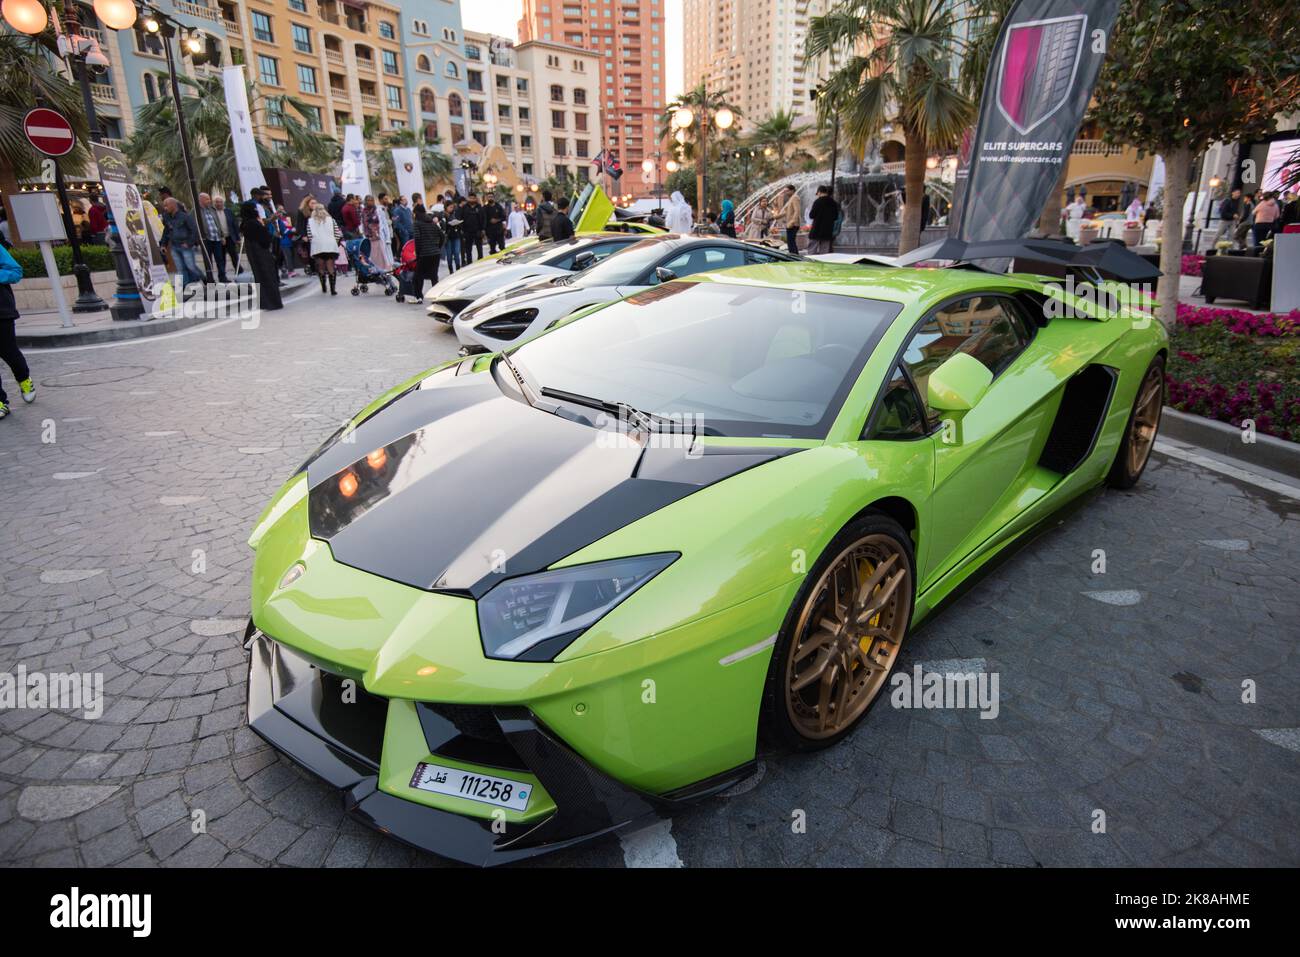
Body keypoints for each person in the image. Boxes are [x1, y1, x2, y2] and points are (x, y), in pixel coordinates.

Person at [0, 239, 35, 420]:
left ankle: (24, 379)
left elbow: (15, 272)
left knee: (9, 352)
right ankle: (1, 402)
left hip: (1, 311)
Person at [239, 200, 282, 310]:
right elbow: (265, 238)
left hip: (253, 254)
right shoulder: (253, 223)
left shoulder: (244, 223)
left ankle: (265, 302)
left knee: (260, 277)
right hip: (261, 253)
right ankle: (273, 302)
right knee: (268, 276)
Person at [160, 197, 203, 290]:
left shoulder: (185, 216)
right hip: (175, 246)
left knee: (191, 266)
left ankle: (205, 279)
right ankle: (184, 287)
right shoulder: (167, 218)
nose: (165, 208)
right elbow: (166, 231)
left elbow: (194, 230)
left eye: (166, 205)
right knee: (180, 268)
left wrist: (189, 243)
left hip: (185, 246)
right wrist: (163, 244)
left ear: (173, 205)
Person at [306, 200, 342, 295]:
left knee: (321, 267)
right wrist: (335, 242)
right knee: (331, 267)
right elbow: (337, 234)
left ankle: (324, 287)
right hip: (330, 245)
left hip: (317, 246)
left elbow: (309, 235)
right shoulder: (331, 220)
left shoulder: (310, 221)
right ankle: (333, 289)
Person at [411, 207, 445, 299]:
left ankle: (419, 297)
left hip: (424, 254)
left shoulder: (417, 224)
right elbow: (442, 236)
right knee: (434, 276)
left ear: (416, 213)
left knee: (418, 276)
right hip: (435, 253)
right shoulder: (432, 223)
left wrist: (418, 253)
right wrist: (438, 247)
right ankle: (437, 296)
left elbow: (417, 239)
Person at [196, 192, 229, 283]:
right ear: (201, 200)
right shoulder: (196, 211)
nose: (209, 201)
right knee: (208, 260)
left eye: (209, 199)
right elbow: (194, 225)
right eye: (207, 199)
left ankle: (223, 277)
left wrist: (222, 236)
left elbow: (217, 222)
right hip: (206, 240)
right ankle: (210, 279)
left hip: (217, 238)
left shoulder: (212, 209)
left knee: (220, 259)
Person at [807, 185, 841, 255]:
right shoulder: (833, 203)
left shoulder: (817, 202)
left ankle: (811, 265)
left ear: (819, 192)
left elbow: (811, 215)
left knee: (812, 251)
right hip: (827, 231)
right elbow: (835, 217)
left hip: (816, 230)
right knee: (824, 253)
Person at [212, 196, 240, 273]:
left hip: (230, 237)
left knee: (234, 255)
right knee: (221, 256)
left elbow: (235, 224)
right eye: (217, 202)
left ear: (223, 203)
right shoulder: (213, 212)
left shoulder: (228, 211)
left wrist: (237, 238)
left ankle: (238, 270)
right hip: (219, 238)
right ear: (214, 203)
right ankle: (222, 272)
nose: (218, 204)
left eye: (220, 202)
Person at [777, 184, 802, 254]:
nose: (785, 192)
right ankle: (794, 256)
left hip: (793, 224)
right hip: (790, 224)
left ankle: (795, 257)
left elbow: (797, 210)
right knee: (790, 242)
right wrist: (775, 217)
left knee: (791, 242)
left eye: (787, 191)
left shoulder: (795, 198)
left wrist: (792, 222)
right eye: (785, 191)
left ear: (792, 190)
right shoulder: (791, 198)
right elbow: (786, 212)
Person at [461, 193, 485, 261]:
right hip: (467, 232)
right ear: (468, 198)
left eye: (473, 198)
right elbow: (461, 218)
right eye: (470, 198)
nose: (471, 199)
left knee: (479, 249)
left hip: (478, 231)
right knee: (468, 249)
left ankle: (481, 262)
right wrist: (462, 229)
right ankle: (469, 263)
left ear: (475, 199)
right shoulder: (464, 207)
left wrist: (483, 229)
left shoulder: (479, 207)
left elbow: (483, 218)